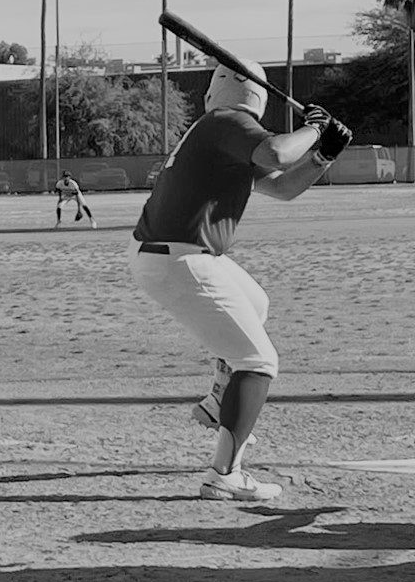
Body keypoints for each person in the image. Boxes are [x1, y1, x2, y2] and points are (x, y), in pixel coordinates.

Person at [128, 59, 352, 501]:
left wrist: (323, 154)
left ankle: (218, 399)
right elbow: (279, 153)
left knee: (256, 304)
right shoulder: (227, 123)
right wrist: (314, 129)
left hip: (176, 253)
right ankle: (225, 475)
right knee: (259, 361)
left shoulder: (221, 131)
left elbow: (284, 185)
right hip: (180, 257)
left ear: (215, 90)